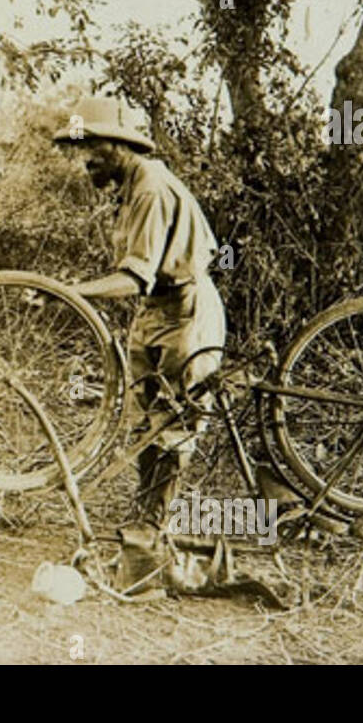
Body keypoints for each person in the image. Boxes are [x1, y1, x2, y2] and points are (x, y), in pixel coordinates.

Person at [54, 96, 227, 591]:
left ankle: (150, 535)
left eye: (89, 147)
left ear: (118, 144)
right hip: (156, 313)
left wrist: (70, 292)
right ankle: (146, 525)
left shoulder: (150, 187)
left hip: (185, 312)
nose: (82, 159)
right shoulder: (129, 188)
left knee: (172, 426)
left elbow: (133, 277)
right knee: (145, 424)